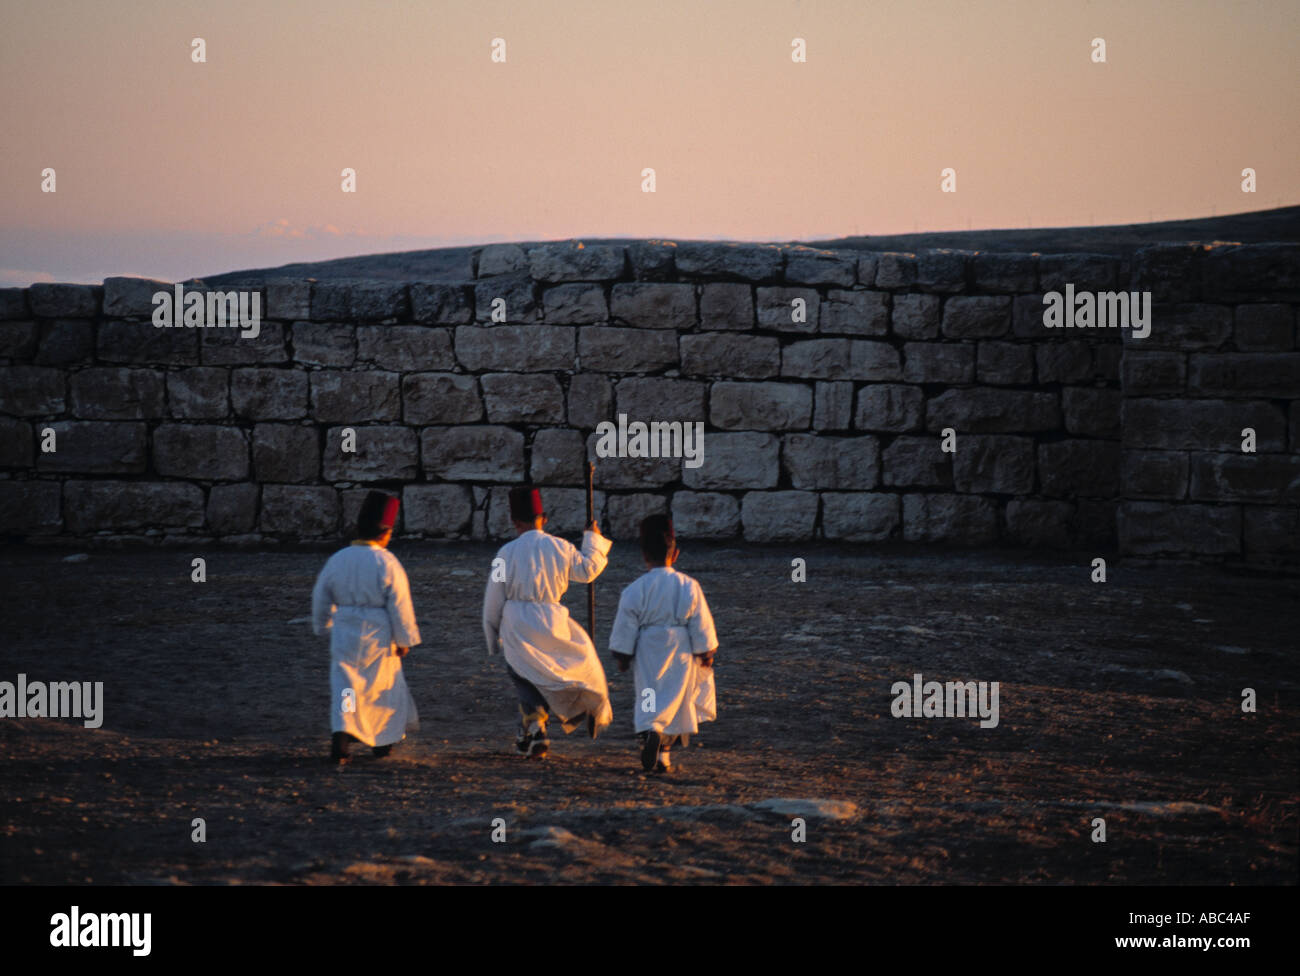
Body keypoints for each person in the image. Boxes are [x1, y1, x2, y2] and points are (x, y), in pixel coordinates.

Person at [482, 486, 613, 759]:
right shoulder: (561, 547)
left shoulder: (505, 553)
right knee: (558, 668)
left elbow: (493, 598)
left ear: (515, 522)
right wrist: (592, 539)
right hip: (552, 621)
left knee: (523, 675)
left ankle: (535, 724)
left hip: (517, 623)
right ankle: (537, 725)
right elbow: (588, 570)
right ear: (545, 518)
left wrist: (492, 634)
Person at [311, 490, 420, 765]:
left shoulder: (338, 559)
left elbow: (321, 595)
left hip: (345, 629)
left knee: (346, 685)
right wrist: (404, 638)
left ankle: (343, 737)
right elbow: (400, 604)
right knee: (381, 686)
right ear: (386, 532)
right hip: (378, 633)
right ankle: (381, 741)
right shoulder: (387, 562)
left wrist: (323, 624)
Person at [608, 514, 717, 774]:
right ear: (675, 554)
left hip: (647, 646)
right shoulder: (690, 586)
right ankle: (664, 755)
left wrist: (623, 656)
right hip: (680, 647)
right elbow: (700, 623)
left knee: (648, 692)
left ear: (644, 555)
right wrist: (705, 652)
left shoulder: (635, 589)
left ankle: (650, 733)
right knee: (675, 698)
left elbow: (625, 626)